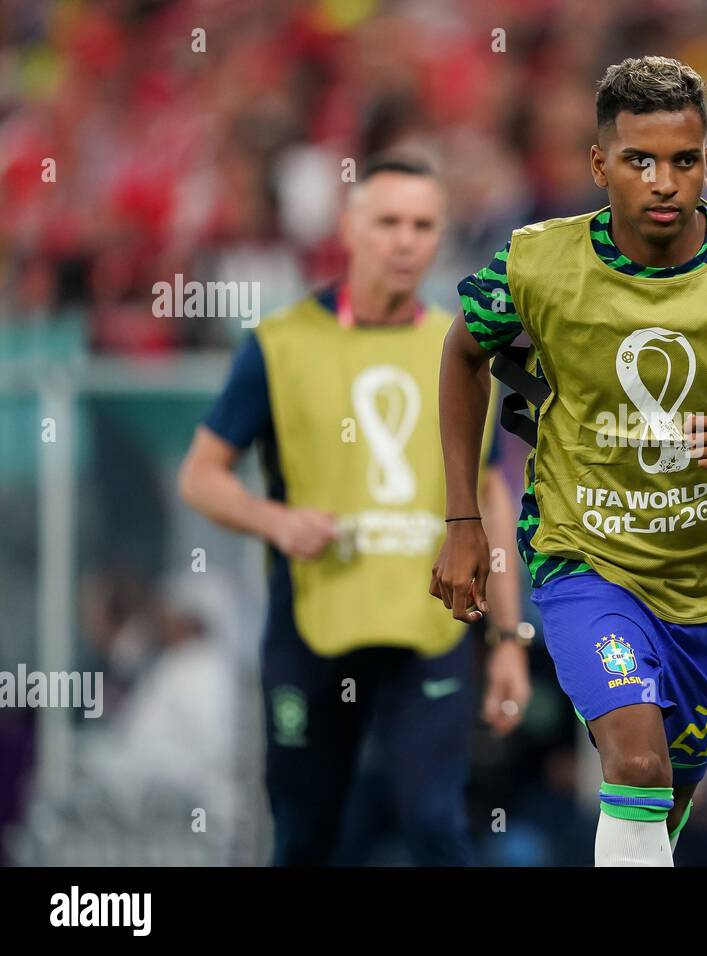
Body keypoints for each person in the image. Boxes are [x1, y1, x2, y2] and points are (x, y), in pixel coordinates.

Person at [431, 57, 707, 866]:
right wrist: (464, 517)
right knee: (634, 760)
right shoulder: (537, 265)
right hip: (586, 560)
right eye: (640, 160)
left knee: (656, 806)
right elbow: (462, 351)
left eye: (683, 159)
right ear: (600, 164)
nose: (664, 181)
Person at [179, 153, 531, 865]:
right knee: (305, 837)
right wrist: (276, 521)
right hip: (313, 628)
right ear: (349, 228)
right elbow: (201, 476)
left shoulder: (459, 350)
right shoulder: (280, 346)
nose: (406, 241)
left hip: (429, 631)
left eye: (424, 225)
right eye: (388, 222)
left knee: (437, 826)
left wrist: (507, 640)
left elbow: (491, 498)